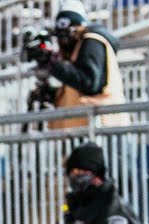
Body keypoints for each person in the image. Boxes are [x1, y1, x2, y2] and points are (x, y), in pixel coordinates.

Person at [46, 0, 127, 129]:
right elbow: (78, 89)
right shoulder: (77, 50)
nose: (64, 42)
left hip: (101, 129)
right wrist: (54, 94)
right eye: (60, 37)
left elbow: (88, 82)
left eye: (67, 35)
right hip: (84, 128)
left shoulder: (92, 41)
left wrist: (53, 64)